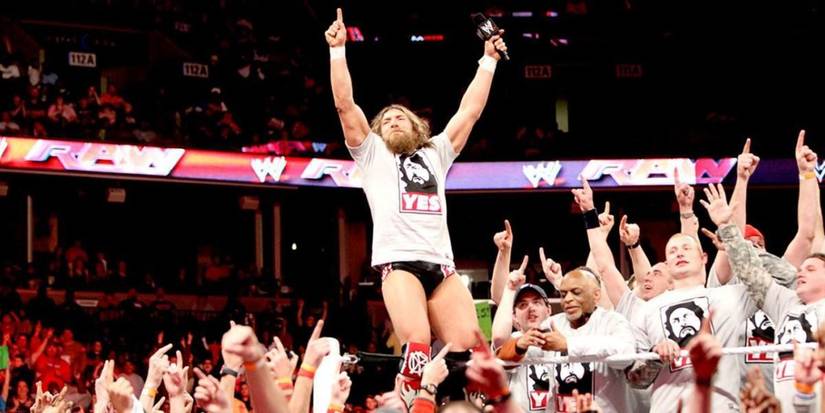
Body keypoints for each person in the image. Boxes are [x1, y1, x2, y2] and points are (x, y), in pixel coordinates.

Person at [325, 6, 507, 402]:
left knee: (474, 350)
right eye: (386, 119)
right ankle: (409, 403)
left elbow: (470, 112)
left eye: (400, 118)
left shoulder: (436, 151)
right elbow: (345, 104)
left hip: (442, 266)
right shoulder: (372, 153)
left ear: (418, 127)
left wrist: (489, 60)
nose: (392, 121)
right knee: (419, 342)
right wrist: (338, 52)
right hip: (400, 263)